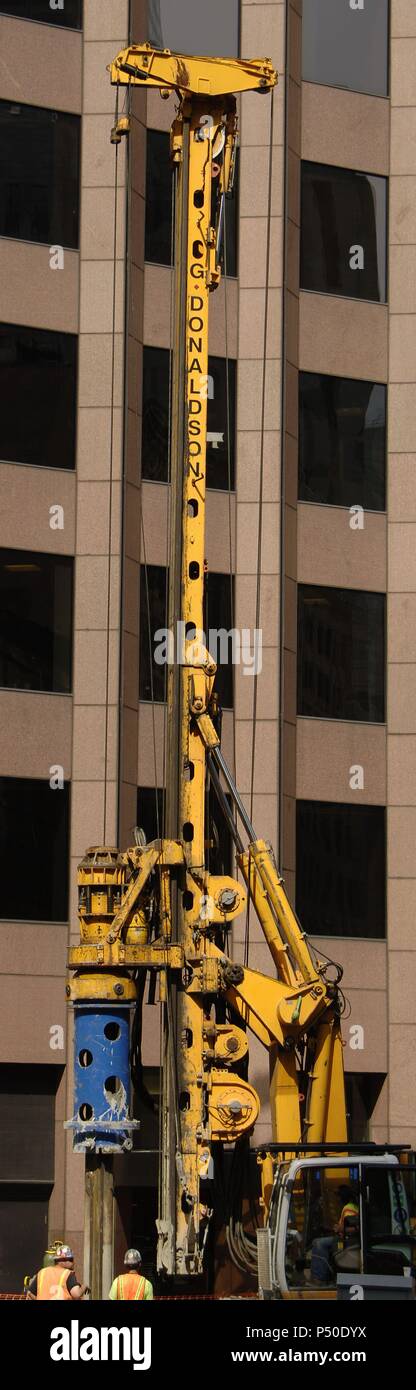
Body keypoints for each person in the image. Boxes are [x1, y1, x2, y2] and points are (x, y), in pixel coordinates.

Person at [310, 1186, 359, 1286]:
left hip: (346, 1241)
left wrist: (340, 1229)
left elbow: (355, 1228)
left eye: (339, 1197)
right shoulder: (353, 1206)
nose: (338, 1200)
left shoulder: (348, 1208)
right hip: (345, 1238)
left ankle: (319, 1278)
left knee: (318, 1243)